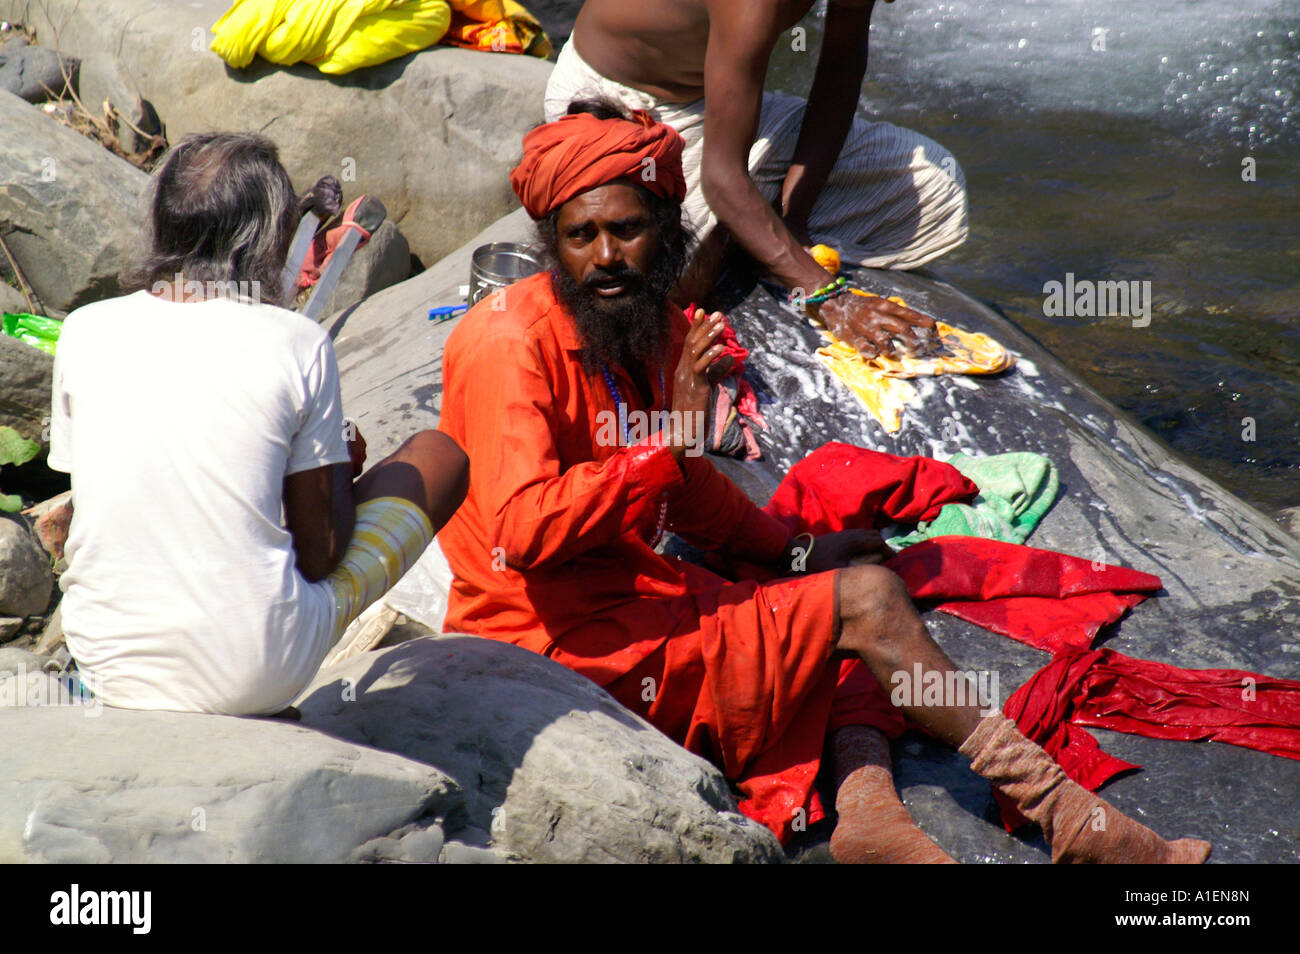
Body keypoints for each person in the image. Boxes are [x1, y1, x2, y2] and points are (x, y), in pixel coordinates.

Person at [436, 102, 1211, 863]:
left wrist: (798, 552)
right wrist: (672, 437)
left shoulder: (650, 324)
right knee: (868, 610)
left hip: (634, 599)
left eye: (627, 230)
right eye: (581, 237)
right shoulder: (508, 341)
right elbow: (523, 533)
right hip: (550, 650)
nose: (605, 256)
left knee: (848, 600)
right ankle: (1065, 814)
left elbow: (686, 491)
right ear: (552, 243)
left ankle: (868, 813)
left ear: (666, 229)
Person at [48, 132, 468, 716]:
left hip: (107, 662)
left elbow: (90, 500)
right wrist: (340, 472)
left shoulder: (85, 329)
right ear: (269, 235)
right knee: (438, 456)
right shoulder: (297, 342)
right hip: (254, 674)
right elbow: (320, 555)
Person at [547, 0, 967, 358]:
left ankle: (755, 226)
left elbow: (839, 71)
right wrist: (829, 298)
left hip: (716, 100)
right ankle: (745, 227)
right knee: (666, 291)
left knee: (936, 183)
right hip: (619, 104)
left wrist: (795, 216)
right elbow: (722, 178)